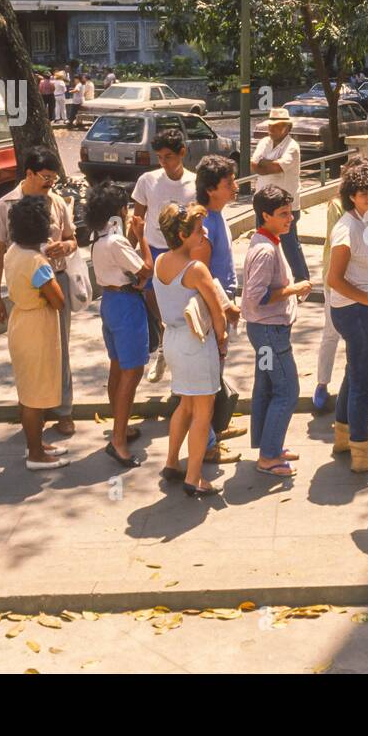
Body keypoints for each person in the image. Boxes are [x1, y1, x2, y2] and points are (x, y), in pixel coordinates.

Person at [0, 149, 78, 438]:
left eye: (54, 178)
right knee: (29, 354)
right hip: (25, 291)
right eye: (46, 178)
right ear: (29, 174)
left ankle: (63, 409)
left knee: (58, 349)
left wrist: (66, 247)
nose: (51, 183)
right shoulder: (4, 205)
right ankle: (31, 407)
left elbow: (72, 238)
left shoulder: (57, 202)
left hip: (55, 280)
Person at [155, 203, 228, 497]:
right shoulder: (196, 269)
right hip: (195, 341)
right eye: (198, 230)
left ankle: (172, 462)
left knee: (185, 405)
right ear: (183, 234)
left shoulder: (161, 261)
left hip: (171, 339)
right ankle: (194, 477)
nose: (204, 233)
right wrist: (221, 340)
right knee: (202, 411)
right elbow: (218, 312)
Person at [243, 185, 312, 477]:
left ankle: (269, 446)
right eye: (283, 214)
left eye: (290, 212)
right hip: (269, 335)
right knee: (287, 391)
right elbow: (256, 297)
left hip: (266, 333)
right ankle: (269, 456)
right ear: (265, 215)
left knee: (267, 387)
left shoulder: (269, 241)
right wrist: (294, 288)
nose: (290, 219)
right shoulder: (265, 250)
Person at [326, 157, 368, 471]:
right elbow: (333, 279)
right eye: (365, 193)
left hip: (361, 310)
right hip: (355, 313)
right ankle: (362, 452)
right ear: (352, 194)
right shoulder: (346, 229)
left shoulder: (366, 221)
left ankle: (343, 435)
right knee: (365, 381)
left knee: (354, 373)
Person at [1, 196, 69, 472]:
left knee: (27, 389)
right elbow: (58, 300)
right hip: (37, 326)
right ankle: (35, 454)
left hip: (20, 321)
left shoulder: (13, 251)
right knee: (34, 395)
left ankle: (37, 444)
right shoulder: (37, 262)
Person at [87, 182, 152, 468]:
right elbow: (146, 269)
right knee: (132, 372)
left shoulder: (100, 239)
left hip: (110, 303)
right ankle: (118, 440)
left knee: (117, 366)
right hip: (126, 306)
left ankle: (120, 427)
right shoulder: (117, 242)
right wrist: (142, 236)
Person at [132, 129, 196, 383]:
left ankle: (180, 362)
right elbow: (136, 219)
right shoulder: (147, 180)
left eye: (168, 156)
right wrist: (128, 253)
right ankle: (163, 344)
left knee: (183, 309)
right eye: (159, 157)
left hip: (184, 254)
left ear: (182, 152)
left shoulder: (195, 182)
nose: (163, 162)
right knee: (154, 300)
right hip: (154, 250)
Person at [193, 154, 246, 451]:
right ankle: (206, 445)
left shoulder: (217, 215)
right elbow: (203, 277)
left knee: (217, 370)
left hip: (222, 302)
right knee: (209, 375)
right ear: (212, 189)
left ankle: (214, 427)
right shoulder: (204, 223)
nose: (235, 187)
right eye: (229, 183)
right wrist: (224, 308)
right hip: (213, 305)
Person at [252, 108, 309, 280]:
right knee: (263, 242)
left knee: (289, 244)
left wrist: (265, 164)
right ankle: (268, 278)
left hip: (286, 205)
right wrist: (266, 165)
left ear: (287, 128)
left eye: (276, 127)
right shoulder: (264, 142)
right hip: (264, 204)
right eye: (270, 126)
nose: (271, 130)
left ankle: (302, 280)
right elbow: (254, 165)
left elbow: (276, 167)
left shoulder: (292, 147)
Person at [313, 184, 345, 412]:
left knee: (364, 337)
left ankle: (363, 383)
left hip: (366, 281)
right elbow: (337, 242)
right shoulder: (337, 206)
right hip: (336, 278)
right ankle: (322, 382)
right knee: (331, 331)